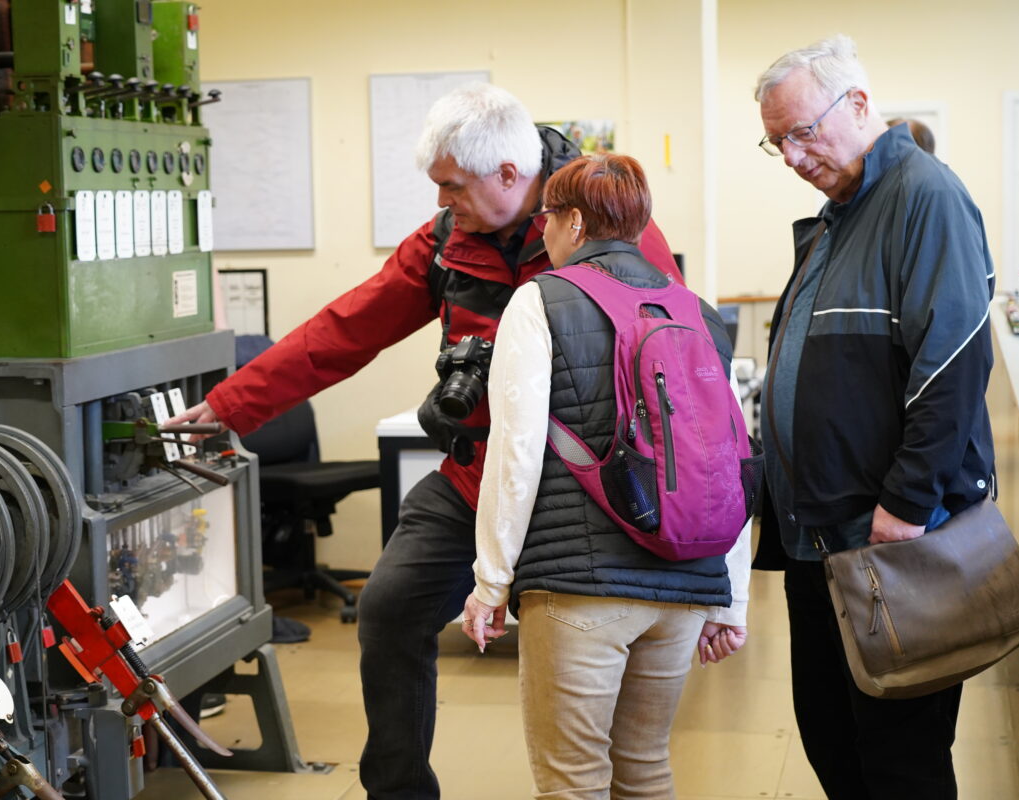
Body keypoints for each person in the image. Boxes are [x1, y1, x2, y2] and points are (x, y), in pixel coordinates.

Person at [167, 83, 683, 799]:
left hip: (581, 489)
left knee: (590, 702)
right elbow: (344, 329)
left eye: (453, 186)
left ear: (509, 174)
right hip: (476, 475)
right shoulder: (447, 241)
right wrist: (228, 405)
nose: (444, 202)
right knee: (390, 608)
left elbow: (678, 367)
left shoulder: (608, 223)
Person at [460, 153, 749, 799]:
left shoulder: (540, 300)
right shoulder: (700, 312)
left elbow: (516, 453)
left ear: (576, 223)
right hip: (682, 588)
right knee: (646, 769)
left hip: (579, 589)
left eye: (548, 220)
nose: (542, 234)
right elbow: (726, 458)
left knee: (573, 782)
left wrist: (490, 582)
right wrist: (731, 598)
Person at [752, 35, 994, 799]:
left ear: (857, 104)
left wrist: (905, 502)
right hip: (818, 545)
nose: (791, 156)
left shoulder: (925, 197)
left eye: (802, 132)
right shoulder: (837, 216)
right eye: (776, 142)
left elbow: (953, 363)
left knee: (901, 765)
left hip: (888, 544)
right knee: (834, 746)